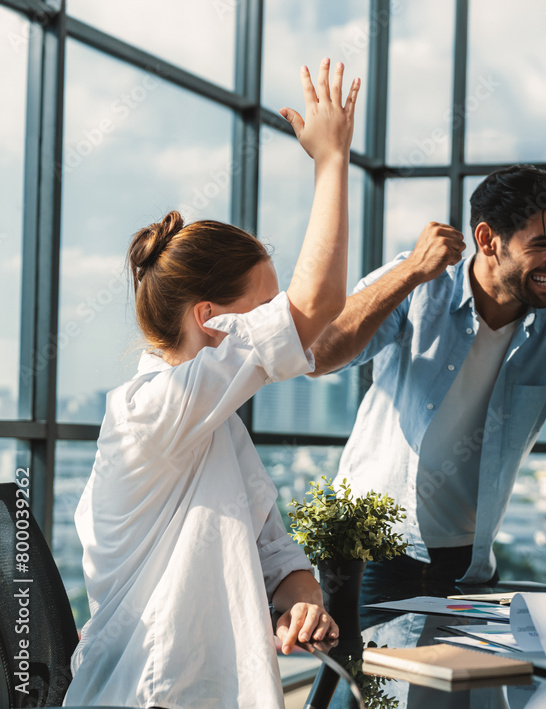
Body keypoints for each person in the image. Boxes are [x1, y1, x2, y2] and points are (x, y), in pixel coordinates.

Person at [65, 60, 360, 708]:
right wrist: (332, 159)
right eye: (265, 306)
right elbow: (316, 305)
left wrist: (303, 603)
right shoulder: (150, 413)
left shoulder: (219, 428)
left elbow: (280, 559)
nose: (280, 316)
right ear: (210, 318)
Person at [308, 165, 546, 599]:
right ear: (488, 239)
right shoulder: (417, 284)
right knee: (349, 648)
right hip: (367, 551)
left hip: (468, 564)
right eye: (541, 245)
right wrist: (410, 272)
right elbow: (318, 355)